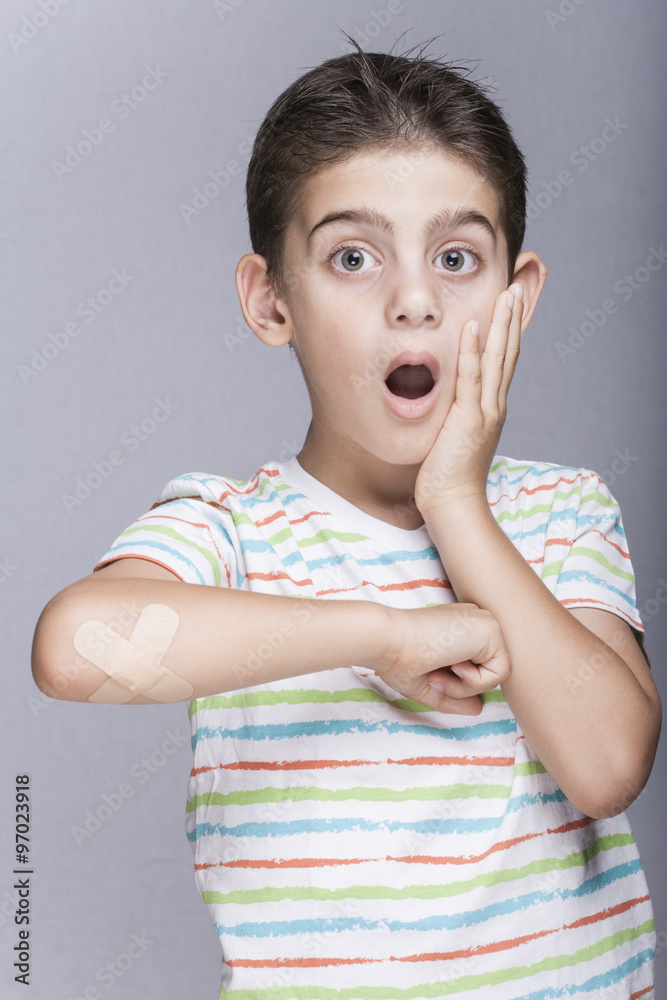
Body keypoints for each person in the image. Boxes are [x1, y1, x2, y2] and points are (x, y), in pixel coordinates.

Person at [31, 36, 661, 999]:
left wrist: (456, 504)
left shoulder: (558, 512)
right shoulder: (228, 529)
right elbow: (77, 648)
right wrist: (383, 634)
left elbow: (608, 762)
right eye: (353, 257)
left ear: (515, 300)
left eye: (456, 258)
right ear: (270, 299)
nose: (413, 301)